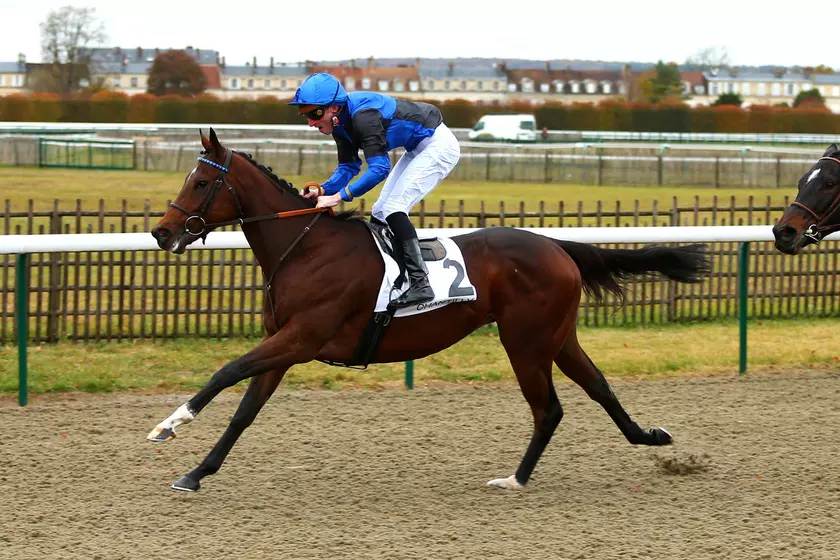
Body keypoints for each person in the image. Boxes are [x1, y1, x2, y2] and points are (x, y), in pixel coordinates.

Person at [289, 73, 461, 308]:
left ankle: (421, 284)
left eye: (314, 113)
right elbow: (349, 167)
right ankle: (392, 278)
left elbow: (380, 168)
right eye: (305, 115)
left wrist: (339, 197)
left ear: (334, 109)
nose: (310, 122)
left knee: (393, 208)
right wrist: (323, 189)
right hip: (416, 147)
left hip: (437, 144)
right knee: (380, 212)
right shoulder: (341, 124)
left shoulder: (364, 118)